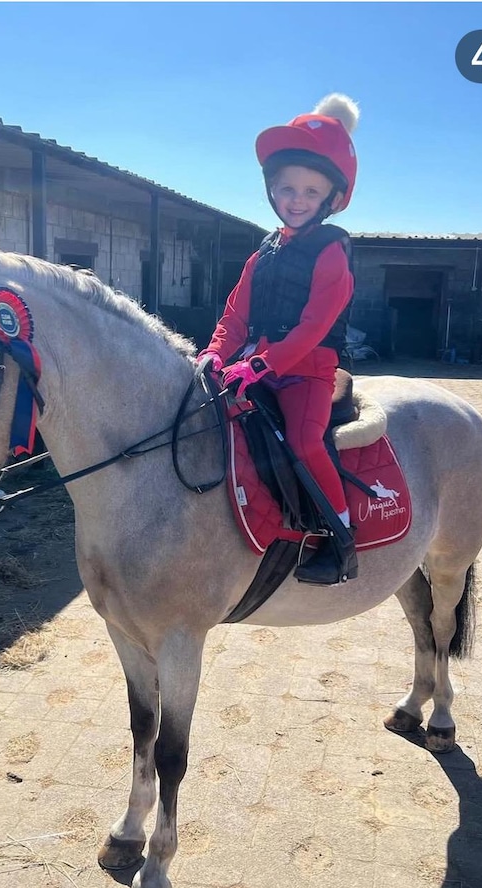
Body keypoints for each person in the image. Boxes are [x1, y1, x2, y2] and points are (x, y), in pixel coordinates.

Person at [197, 93, 360, 585]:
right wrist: (215, 352)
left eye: (311, 191)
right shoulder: (262, 252)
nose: (297, 199)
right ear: (272, 190)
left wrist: (263, 365)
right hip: (252, 361)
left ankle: (340, 538)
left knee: (305, 441)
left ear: (331, 198)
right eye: (287, 188)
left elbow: (314, 326)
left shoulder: (333, 250)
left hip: (308, 366)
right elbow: (235, 314)